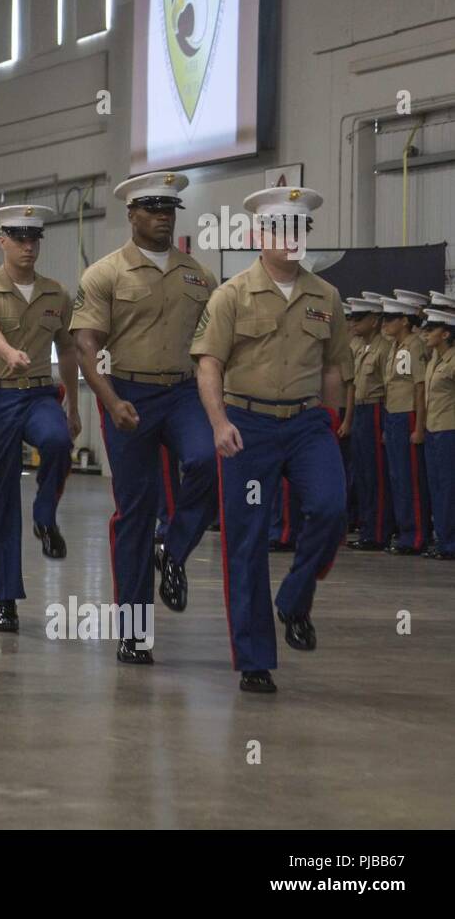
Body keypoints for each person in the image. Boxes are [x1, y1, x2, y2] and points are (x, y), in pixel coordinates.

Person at [192, 186, 352, 693]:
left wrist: (331, 418)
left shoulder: (326, 297)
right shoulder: (231, 295)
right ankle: (255, 659)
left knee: (331, 507)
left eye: (300, 228)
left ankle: (295, 598)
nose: (292, 238)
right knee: (246, 541)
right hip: (248, 423)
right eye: (281, 229)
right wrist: (219, 423)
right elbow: (209, 364)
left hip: (306, 424)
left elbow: (332, 366)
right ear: (259, 235)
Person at [71, 171, 217, 665]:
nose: (161, 217)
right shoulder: (105, 274)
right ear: (131, 214)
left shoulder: (199, 276)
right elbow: (87, 345)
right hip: (127, 391)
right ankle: (133, 630)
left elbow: (211, 350)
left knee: (207, 460)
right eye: (152, 208)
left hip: (183, 394)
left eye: (168, 209)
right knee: (134, 510)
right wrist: (110, 401)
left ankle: (172, 549)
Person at [0, 204, 80, 632]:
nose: (28, 246)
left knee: (55, 442)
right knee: (0, 500)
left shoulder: (56, 293)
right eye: (19, 238)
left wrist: (72, 407)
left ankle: (45, 516)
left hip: (37, 395)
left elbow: (67, 349)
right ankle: (6, 597)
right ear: (3, 241)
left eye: (34, 239)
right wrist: (7, 352)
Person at [380, 295, 429, 554]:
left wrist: (419, 427)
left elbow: (419, 387)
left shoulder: (413, 346)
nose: (385, 324)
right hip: (394, 414)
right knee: (397, 477)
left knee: (411, 478)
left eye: (390, 319)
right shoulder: (396, 347)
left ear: (404, 321)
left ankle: (416, 535)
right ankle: (405, 532)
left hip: (408, 413)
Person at [341, 297, 392, 550]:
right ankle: (367, 527)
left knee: (376, 475)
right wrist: (349, 419)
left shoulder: (384, 348)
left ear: (375, 320)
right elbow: (352, 385)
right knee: (361, 472)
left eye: (360, 319)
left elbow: (390, 388)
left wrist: (386, 424)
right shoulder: (362, 347)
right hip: (361, 411)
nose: (354, 324)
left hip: (376, 409)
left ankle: (378, 532)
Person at [421, 306, 455, 559]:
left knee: (449, 487)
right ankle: (443, 540)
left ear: (446, 334)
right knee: (437, 486)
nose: (426, 334)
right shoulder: (435, 358)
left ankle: (450, 543)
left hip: (449, 429)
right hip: (434, 428)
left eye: (431, 329)